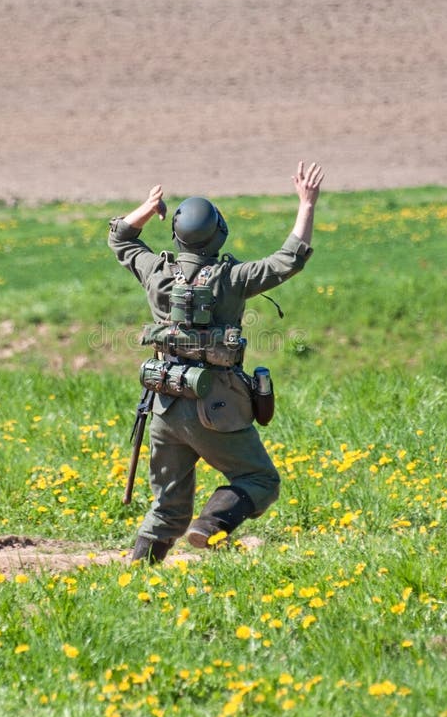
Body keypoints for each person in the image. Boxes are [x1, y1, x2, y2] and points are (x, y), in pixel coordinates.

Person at [108, 160, 324, 563]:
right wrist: (306, 203)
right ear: (219, 233)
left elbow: (121, 239)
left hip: (164, 405)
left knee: (167, 508)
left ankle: (135, 575)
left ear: (175, 234)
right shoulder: (233, 279)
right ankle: (209, 527)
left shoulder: (157, 273)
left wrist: (147, 208)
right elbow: (289, 259)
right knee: (259, 479)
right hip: (216, 407)